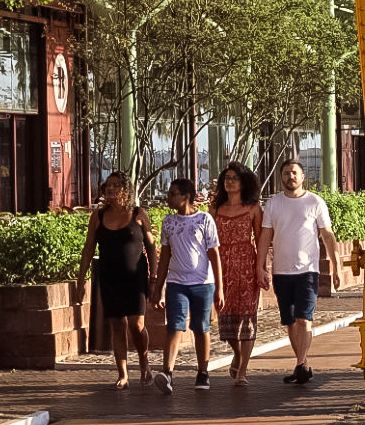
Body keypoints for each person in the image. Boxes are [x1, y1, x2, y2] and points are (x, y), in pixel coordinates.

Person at [258, 160, 341, 385]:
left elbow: (327, 235)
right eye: (286, 173)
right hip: (281, 272)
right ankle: (301, 363)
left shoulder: (315, 202)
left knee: (304, 319)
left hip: (308, 271)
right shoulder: (273, 204)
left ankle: (301, 363)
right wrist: (261, 266)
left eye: (294, 173)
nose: (290, 176)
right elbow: (265, 236)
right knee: (291, 321)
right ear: (281, 178)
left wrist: (335, 266)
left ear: (303, 177)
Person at [76, 171, 158, 388]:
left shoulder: (139, 214)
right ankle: (122, 374)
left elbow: (151, 247)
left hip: (136, 277)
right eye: (107, 186)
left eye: (116, 185)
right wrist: (80, 280)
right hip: (109, 276)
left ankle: (143, 362)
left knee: (136, 324)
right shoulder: (98, 216)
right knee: (117, 325)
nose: (110, 189)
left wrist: (154, 278)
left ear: (125, 190)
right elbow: (88, 248)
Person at [152, 178, 223, 393]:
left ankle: (203, 372)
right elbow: (164, 257)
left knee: (201, 328)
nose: (169, 197)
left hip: (202, 283)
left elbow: (214, 254)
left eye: (173, 194)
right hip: (176, 283)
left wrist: (219, 287)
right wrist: (158, 287)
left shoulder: (205, 219)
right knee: (174, 326)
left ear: (186, 197)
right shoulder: (168, 222)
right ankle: (168, 372)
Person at [212, 162, 264, 386]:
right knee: (226, 318)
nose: (229, 181)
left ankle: (242, 371)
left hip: (246, 267)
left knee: (246, 319)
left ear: (244, 182)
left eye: (234, 178)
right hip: (222, 266)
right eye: (227, 178)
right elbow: (209, 241)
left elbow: (262, 239)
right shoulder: (215, 208)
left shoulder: (253, 208)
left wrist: (261, 267)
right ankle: (238, 353)